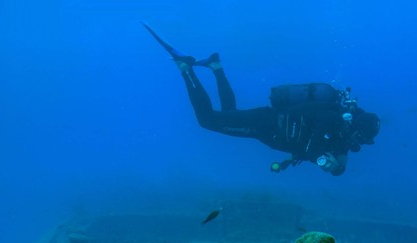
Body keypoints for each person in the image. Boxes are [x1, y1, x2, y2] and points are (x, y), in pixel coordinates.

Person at [144, 23, 380, 176]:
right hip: (265, 124)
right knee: (208, 120)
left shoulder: (341, 131)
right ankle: (186, 67)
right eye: (359, 138)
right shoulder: (333, 119)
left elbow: (338, 160)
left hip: (267, 127)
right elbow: (312, 148)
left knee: (229, 112)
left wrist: (337, 166)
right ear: (356, 127)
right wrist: (324, 160)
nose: (355, 143)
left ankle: (215, 65)